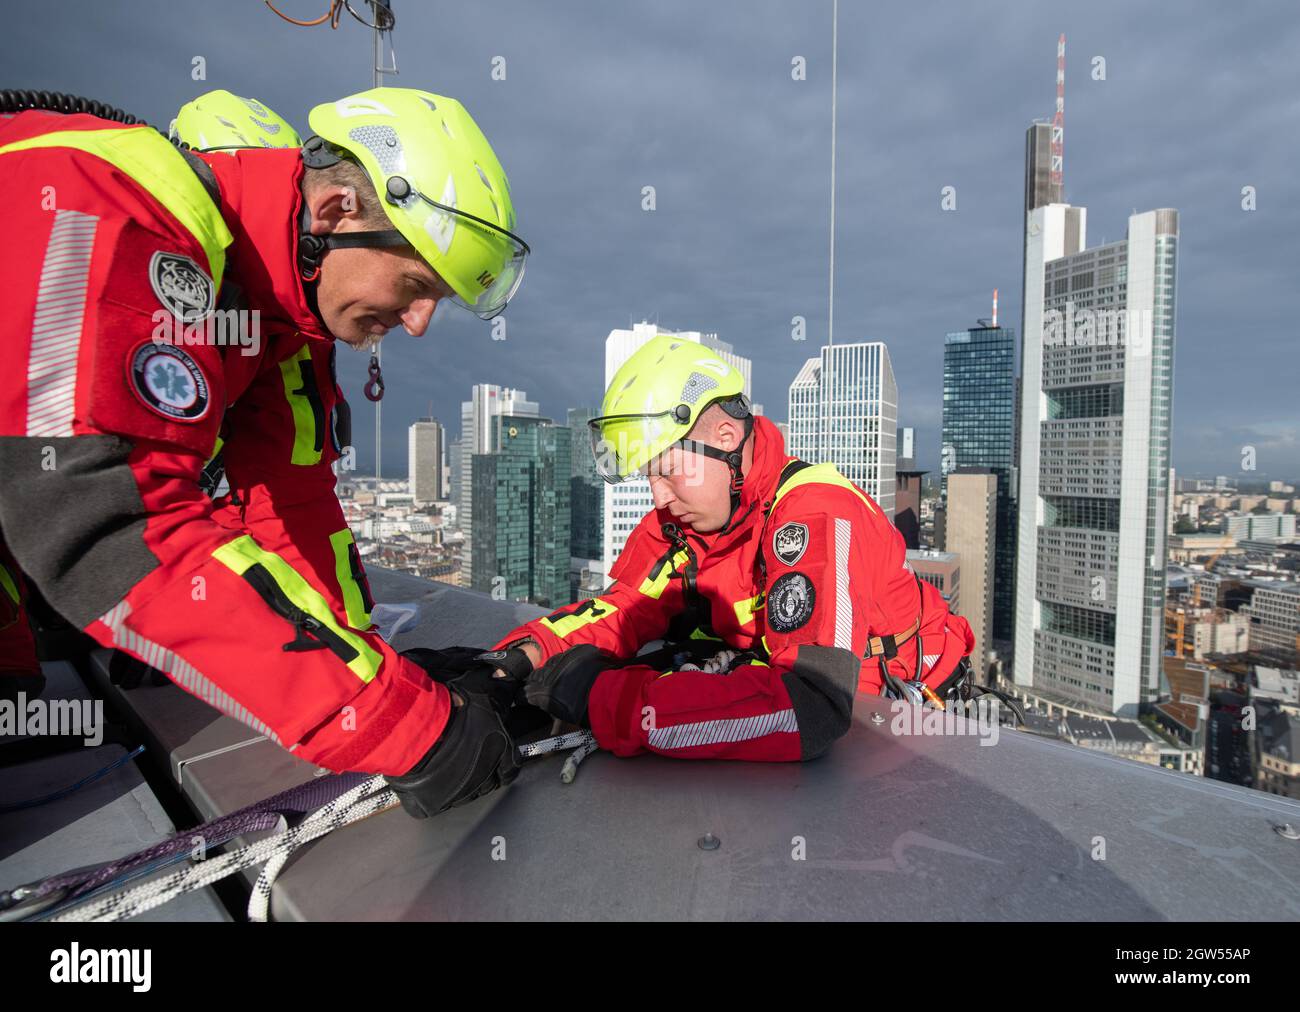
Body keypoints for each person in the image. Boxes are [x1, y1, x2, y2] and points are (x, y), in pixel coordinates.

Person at [0, 86, 531, 817]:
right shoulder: (109, 196)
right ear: (336, 211)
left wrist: (375, 670)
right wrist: (410, 731)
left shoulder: (279, 313)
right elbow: (110, 521)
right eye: (415, 286)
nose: (417, 324)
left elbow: (289, 500)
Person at [488, 334, 977, 760]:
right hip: (794, 692)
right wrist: (523, 656)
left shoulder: (815, 515)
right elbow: (627, 610)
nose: (657, 495)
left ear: (725, 437)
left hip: (906, 716)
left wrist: (605, 701)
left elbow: (812, 708)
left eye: (666, 469)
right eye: (648, 477)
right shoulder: (690, 518)